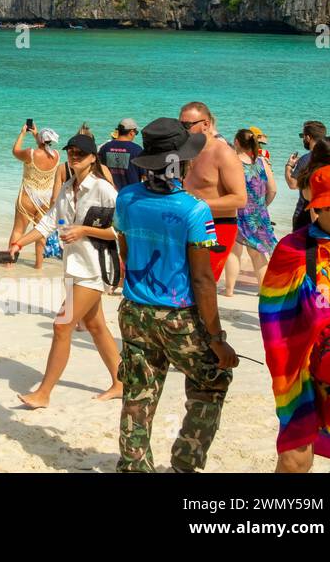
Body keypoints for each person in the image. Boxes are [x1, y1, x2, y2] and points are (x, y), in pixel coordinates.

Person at [114, 118, 238, 472]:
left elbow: (126, 251)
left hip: (135, 310)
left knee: (139, 392)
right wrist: (216, 338)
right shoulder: (193, 209)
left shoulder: (127, 198)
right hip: (178, 317)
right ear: (180, 162)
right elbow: (201, 280)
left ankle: (134, 465)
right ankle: (186, 460)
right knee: (213, 380)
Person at [260, 165, 330, 472]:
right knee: (294, 456)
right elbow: (274, 318)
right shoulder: (293, 250)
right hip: (305, 369)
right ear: (325, 206)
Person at [10, 134, 122, 408]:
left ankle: (44, 393)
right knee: (96, 326)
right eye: (71, 152)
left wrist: (84, 230)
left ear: (93, 158)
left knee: (61, 326)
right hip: (74, 267)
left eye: (80, 154)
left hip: (94, 270)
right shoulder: (69, 186)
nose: (74, 157)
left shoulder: (103, 190)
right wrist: (18, 243)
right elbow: (49, 223)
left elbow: (120, 231)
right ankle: (121, 382)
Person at [179, 101, 247, 281]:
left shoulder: (223, 153)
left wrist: (197, 205)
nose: (183, 130)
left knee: (203, 282)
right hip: (187, 224)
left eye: (188, 125)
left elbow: (240, 199)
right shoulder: (185, 151)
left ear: (206, 124)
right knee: (182, 282)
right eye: (181, 125)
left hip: (217, 225)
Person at [225, 128, 278, 298]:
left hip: (237, 211)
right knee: (258, 252)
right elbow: (273, 190)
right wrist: (262, 206)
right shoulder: (262, 162)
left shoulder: (232, 162)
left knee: (234, 251)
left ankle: (229, 291)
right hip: (259, 213)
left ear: (236, 142)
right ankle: (263, 291)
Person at [5, 124, 60, 267]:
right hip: (45, 200)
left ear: (40, 140)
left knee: (18, 230)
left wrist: (23, 133)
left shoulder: (31, 153)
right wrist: (37, 134)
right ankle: (38, 266)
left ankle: (9, 264)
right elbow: (44, 146)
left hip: (28, 197)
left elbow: (15, 151)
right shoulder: (56, 155)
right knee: (40, 231)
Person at [293, 136, 330, 230]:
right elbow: (316, 214)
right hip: (317, 229)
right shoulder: (320, 178)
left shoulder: (310, 174)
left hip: (306, 224)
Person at [286, 120, 328, 229]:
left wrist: (289, 166)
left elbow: (293, 184)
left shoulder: (306, 159)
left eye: (302, 136)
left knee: (299, 245)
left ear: (308, 137)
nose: (303, 139)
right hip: (326, 212)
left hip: (304, 212)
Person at [99, 118, 144, 188]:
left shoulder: (105, 148)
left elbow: (99, 170)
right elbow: (144, 176)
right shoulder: (137, 150)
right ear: (131, 132)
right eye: (136, 133)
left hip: (109, 192)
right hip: (130, 194)